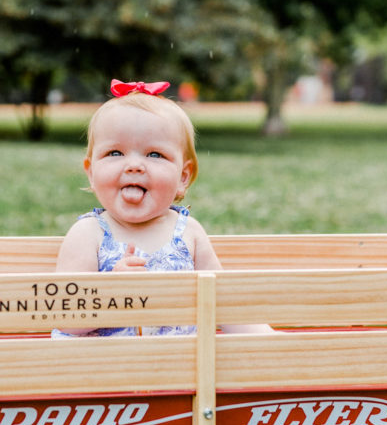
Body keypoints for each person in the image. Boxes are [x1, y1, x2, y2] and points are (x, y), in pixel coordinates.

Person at [54, 79, 271, 336]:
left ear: (183, 176)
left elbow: (224, 304)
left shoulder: (189, 232)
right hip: (106, 370)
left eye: (154, 155)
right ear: (91, 173)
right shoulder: (87, 234)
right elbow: (67, 319)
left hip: (181, 371)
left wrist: (265, 337)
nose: (134, 165)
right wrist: (112, 291)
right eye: (114, 153)